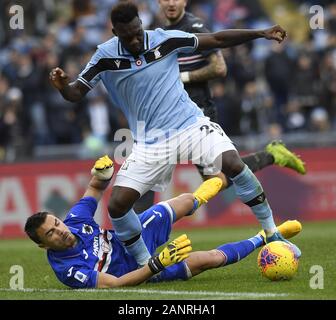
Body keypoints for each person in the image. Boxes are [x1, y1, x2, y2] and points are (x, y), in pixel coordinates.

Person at [49, 1, 300, 267]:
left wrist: (261, 33)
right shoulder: (104, 56)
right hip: (149, 142)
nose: (135, 40)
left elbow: (216, 38)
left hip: (190, 125)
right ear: (115, 32)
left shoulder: (164, 40)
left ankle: (273, 233)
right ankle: (147, 265)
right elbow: (76, 92)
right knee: (118, 206)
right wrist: (64, 86)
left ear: (141, 24)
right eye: (127, 36)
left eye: (138, 32)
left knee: (233, 164)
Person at [24, 155, 302, 289]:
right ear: (42, 245)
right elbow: (115, 285)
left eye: (56, 224)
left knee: (182, 201)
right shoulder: (67, 269)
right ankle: (265, 237)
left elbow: (95, 188)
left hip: (129, 236)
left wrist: (102, 172)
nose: (59, 231)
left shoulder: (74, 220)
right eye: (50, 233)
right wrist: (157, 264)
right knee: (207, 259)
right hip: (138, 267)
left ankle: (210, 190)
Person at [133, 0, 306, 213]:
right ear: (158, 2)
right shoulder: (157, 31)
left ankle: (272, 155)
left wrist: (180, 77)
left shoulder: (194, 27)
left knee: (219, 180)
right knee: (150, 167)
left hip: (197, 112)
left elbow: (219, 67)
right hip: (169, 113)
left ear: (185, 1)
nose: (171, 3)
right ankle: (138, 236)